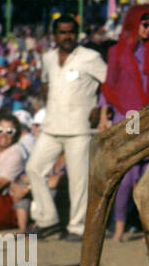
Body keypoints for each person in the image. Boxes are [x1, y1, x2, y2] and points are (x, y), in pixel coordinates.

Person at [26, 15, 107, 241]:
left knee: (78, 180)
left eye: (71, 32)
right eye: (62, 32)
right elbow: (44, 81)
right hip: (52, 126)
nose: (67, 36)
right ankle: (48, 221)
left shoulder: (90, 57)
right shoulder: (48, 58)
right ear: (55, 35)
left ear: (77, 33)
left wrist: (99, 109)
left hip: (80, 127)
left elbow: (109, 83)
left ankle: (77, 227)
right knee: (33, 168)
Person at [99, 5, 149, 242]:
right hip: (126, 117)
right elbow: (109, 86)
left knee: (148, 174)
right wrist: (103, 117)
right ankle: (119, 227)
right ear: (132, 24)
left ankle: (148, 225)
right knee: (126, 175)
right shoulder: (117, 51)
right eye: (144, 23)